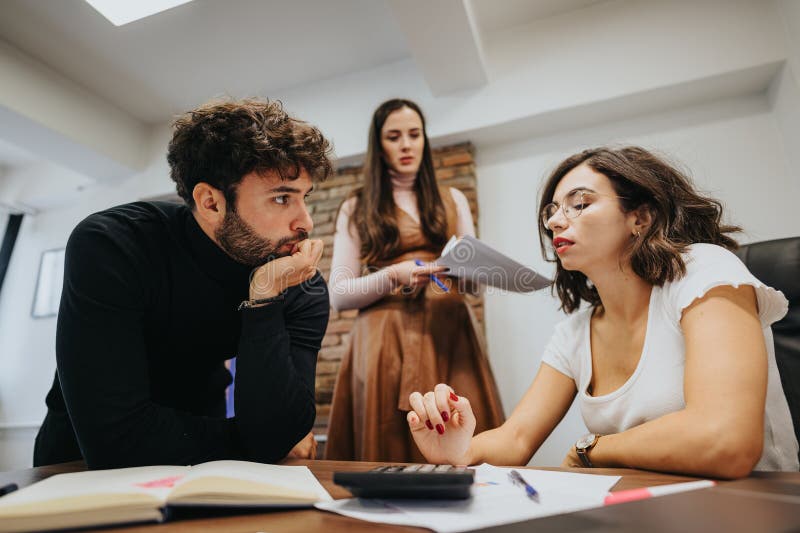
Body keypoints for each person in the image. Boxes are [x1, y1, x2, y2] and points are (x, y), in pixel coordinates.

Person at [406, 146, 799, 478]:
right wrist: (459, 451)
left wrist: (589, 449)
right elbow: (517, 438)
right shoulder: (575, 331)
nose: (556, 220)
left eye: (579, 203)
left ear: (639, 218)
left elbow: (724, 440)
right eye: (552, 211)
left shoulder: (704, 269)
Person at [33, 99, 333, 469]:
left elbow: (280, 431)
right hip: (75, 471)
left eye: (304, 199)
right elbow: (114, 440)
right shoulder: (114, 245)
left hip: (203, 467)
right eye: (282, 198)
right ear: (211, 203)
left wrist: (264, 298)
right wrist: (256, 442)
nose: (305, 223)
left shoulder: (297, 283)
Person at [325, 98, 504, 462]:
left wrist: (470, 272)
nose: (406, 144)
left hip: (448, 333)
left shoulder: (453, 200)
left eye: (414, 134)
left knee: (461, 432)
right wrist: (393, 275)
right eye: (394, 136)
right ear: (380, 145)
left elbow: (475, 287)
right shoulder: (356, 206)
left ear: (425, 139)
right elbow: (339, 295)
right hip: (383, 339)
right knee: (387, 441)